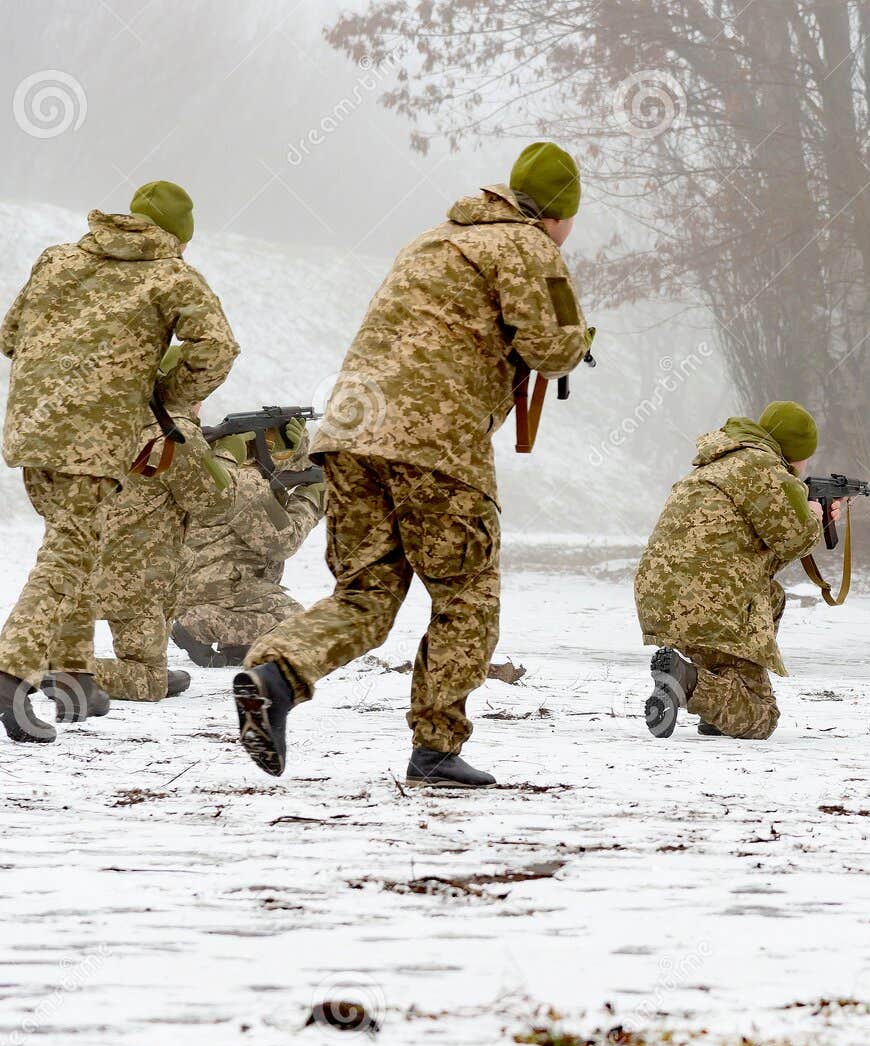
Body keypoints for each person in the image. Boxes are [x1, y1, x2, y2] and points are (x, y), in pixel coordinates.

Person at [233, 142, 590, 787]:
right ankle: (436, 748)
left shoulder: (432, 240)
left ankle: (276, 674)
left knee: (365, 595)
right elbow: (555, 346)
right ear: (556, 212)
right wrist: (579, 336)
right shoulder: (532, 249)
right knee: (467, 596)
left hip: (348, 432)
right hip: (435, 442)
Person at [0, 181, 238, 742]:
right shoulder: (171, 275)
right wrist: (166, 394)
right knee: (69, 551)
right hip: (97, 435)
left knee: (75, 539)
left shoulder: (57, 259)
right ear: (179, 235)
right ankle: (12, 673)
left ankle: (74, 676)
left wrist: (63, 371)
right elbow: (218, 348)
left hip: (33, 426)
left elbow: (11, 336)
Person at [635, 401, 825, 740]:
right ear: (796, 449)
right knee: (761, 717)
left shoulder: (719, 463)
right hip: (713, 604)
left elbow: (759, 561)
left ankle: (715, 706)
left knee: (772, 596)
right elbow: (796, 540)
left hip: (662, 598)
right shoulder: (765, 468)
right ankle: (686, 681)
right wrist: (815, 518)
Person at [50, 359, 233, 703]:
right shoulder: (176, 434)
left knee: (154, 671)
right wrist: (226, 457)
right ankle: (57, 671)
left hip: (82, 565)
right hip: (138, 578)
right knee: (148, 682)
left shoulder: (105, 423)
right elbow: (216, 503)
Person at [171, 420, 325, 668]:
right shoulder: (245, 483)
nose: (278, 450)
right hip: (224, 587)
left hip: (205, 583)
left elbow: (279, 469)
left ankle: (237, 643)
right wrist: (312, 498)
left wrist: (300, 453)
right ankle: (199, 625)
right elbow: (283, 541)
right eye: (274, 442)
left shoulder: (213, 470)